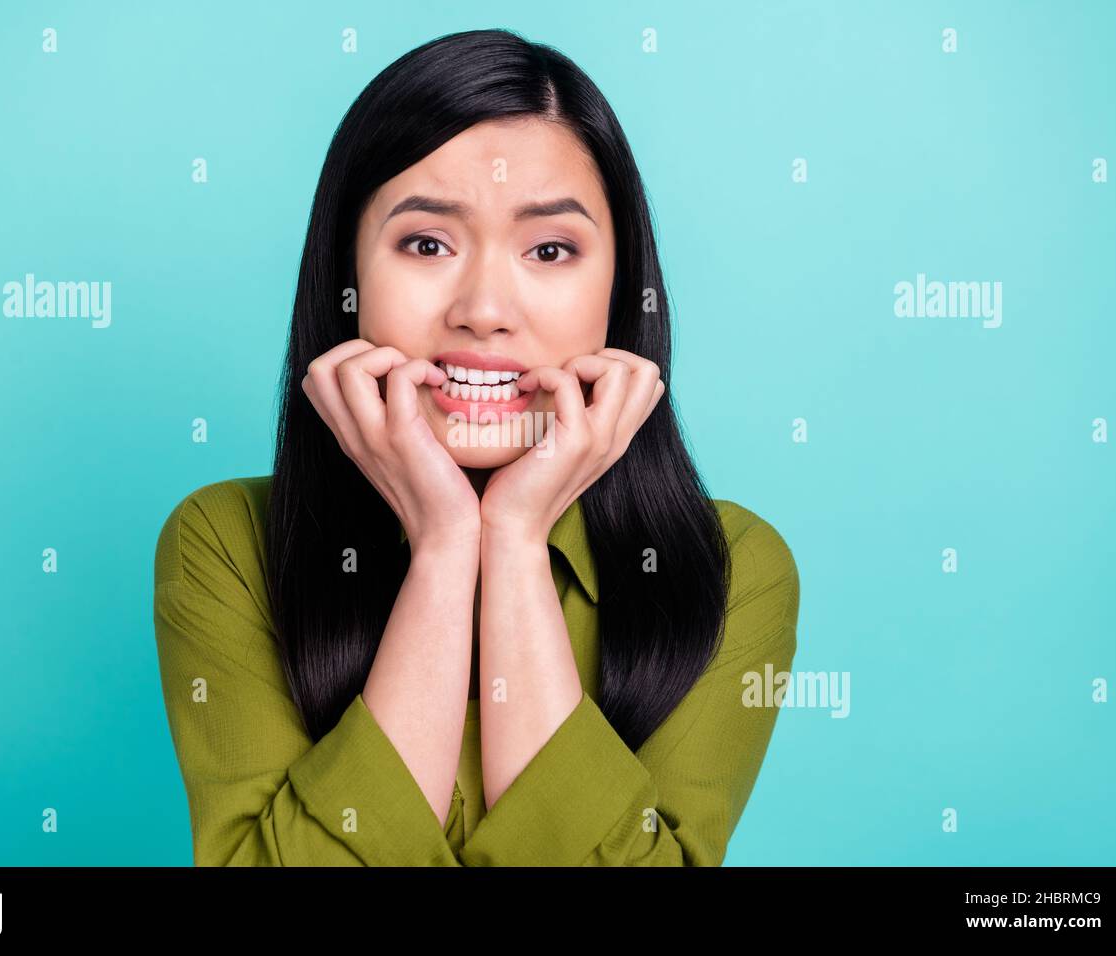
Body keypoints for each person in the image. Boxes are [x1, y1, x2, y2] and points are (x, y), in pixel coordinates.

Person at [153, 27, 799, 866]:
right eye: (426, 244)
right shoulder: (226, 541)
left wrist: (517, 542)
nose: (484, 308)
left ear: (618, 285)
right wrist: (445, 545)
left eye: (549, 249)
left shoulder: (730, 568)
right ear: (345, 277)